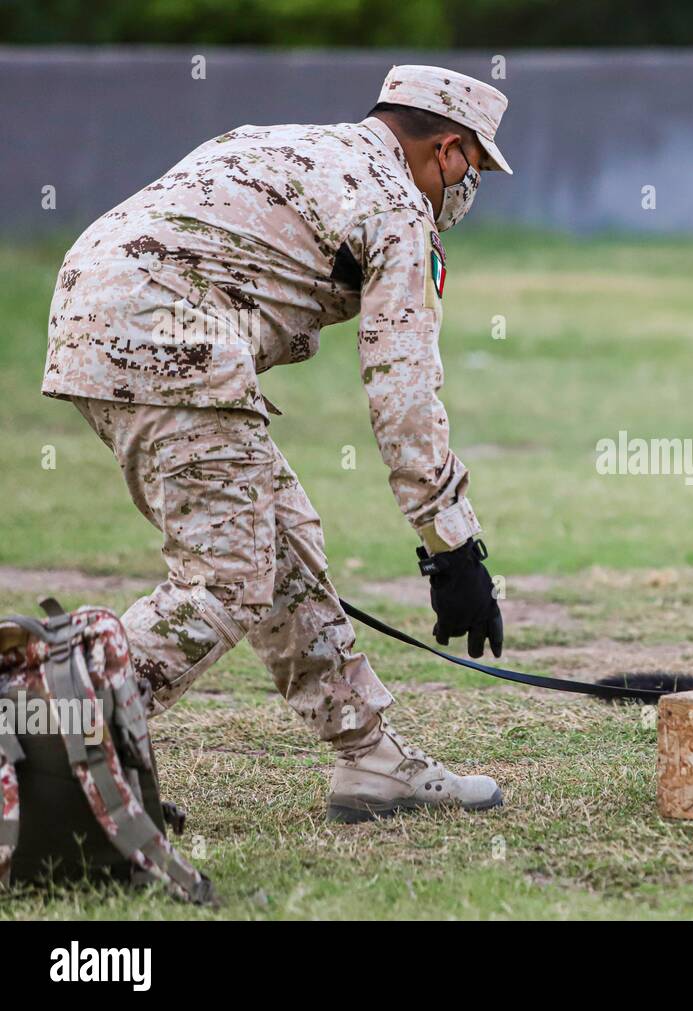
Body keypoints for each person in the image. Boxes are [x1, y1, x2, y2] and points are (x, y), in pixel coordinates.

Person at [41, 66, 510, 821]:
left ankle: (372, 760)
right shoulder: (395, 206)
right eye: (476, 168)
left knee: (282, 546)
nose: (468, 188)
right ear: (448, 149)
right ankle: (46, 739)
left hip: (92, 321)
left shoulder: (283, 143)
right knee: (227, 576)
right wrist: (452, 547)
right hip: (177, 342)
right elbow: (404, 391)